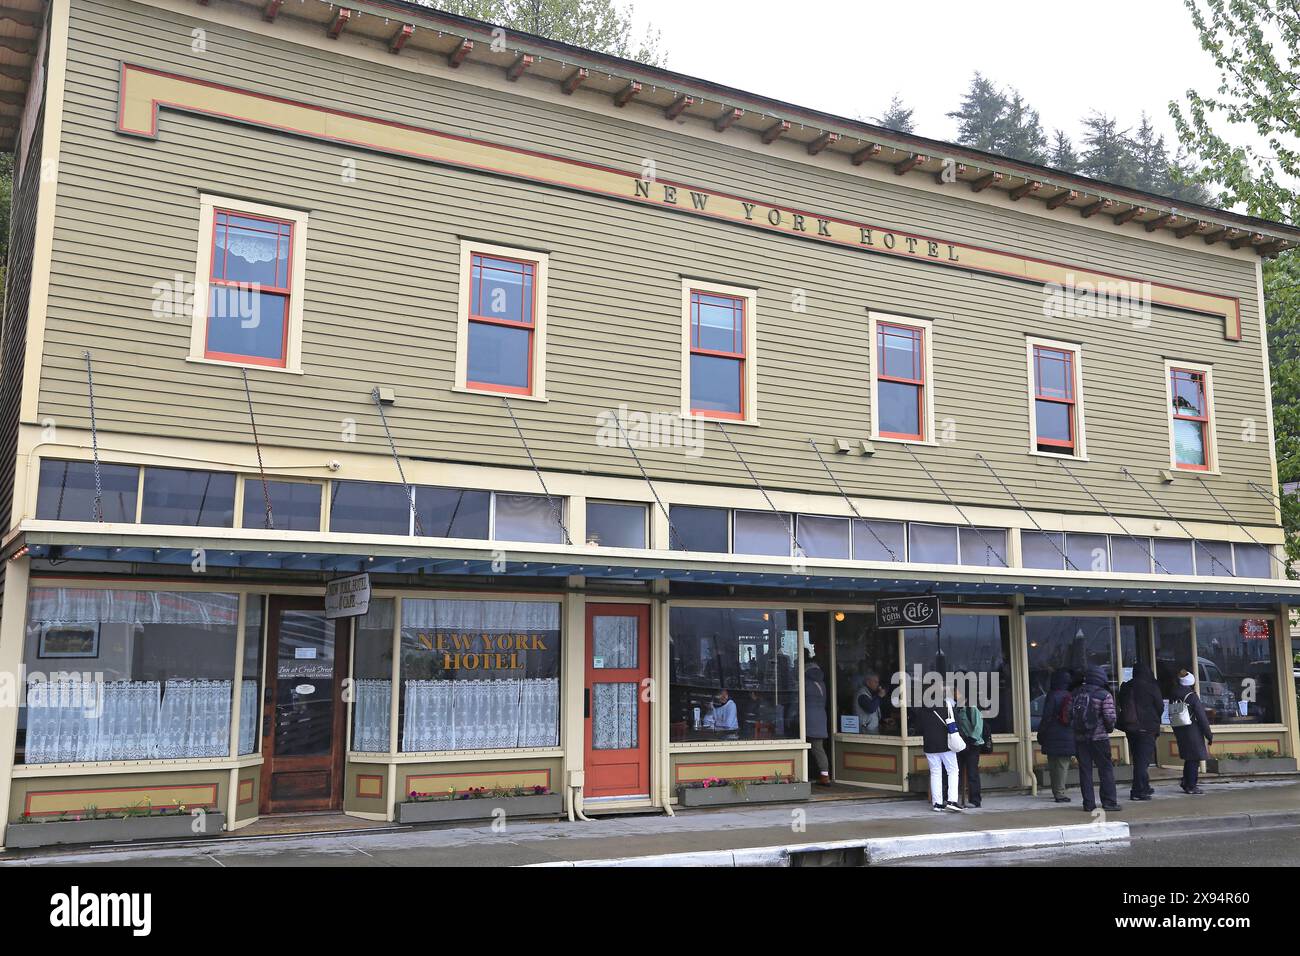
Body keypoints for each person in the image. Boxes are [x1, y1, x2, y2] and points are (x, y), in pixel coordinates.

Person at [1071, 665, 1121, 813]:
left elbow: (1070, 715)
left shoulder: (1075, 693)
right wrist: (1109, 729)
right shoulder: (1104, 694)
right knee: (1105, 770)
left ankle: (1088, 804)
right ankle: (1109, 802)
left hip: (1080, 738)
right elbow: (1109, 717)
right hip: (1099, 739)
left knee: (1085, 771)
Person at [1117, 662, 1164, 801]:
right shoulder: (1151, 687)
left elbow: (1121, 703)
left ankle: (1145, 786)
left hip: (1131, 728)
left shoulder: (1126, 687)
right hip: (1147, 728)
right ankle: (1138, 790)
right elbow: (1160, 706)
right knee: (1143, 761)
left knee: (1138, 758)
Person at [913, 697, 963, 813]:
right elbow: (957, 724)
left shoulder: (922, 709)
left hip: (929, 745)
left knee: (935, 773)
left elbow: (918, 728)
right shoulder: (947, 706)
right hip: (946, 744)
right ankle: (952, 801)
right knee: (953, 770)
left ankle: (937, 803)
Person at [1171, 669, 1213, 795]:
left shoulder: (1174, 694)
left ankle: (1186, 782)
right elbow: (1202, 717)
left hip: (1180, 729)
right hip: (1192, 730)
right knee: (1194, 759)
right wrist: (1209, 735)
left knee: (1189, 758)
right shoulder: (1192, 696)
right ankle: (1191, 785)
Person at [1038, 669, 1075, 803]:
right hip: (1066, 734)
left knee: (1053, 764)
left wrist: (1042, 732)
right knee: (1062, 765)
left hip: (1052, 734)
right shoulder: (1069, 695)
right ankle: (1060, 792)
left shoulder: (1052, 695)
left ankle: (1056, 791)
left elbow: (1046, 716)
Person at [954, 686, 984, 808]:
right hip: (961, 744)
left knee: (972, 773)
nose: (955, 694)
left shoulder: (972, 709)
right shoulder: (957, 709)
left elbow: (978, 727)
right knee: (957, 772)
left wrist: (970, 741)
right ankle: (958, 799)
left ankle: (975, 800)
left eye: (957, 692)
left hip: (972, 745)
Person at [804, 659, 831, 786]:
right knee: (818, 748)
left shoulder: (805, 683)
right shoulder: (822, 684)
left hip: (806, 718)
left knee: (806, 747)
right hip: (821, 717)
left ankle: (805, 774)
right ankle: (824, 775)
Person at [854, 670, 887, 734]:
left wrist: (882, 720)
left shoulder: (870, 693)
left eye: (878, 682)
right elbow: (871, 708)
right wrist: (879, 696)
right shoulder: (862, 694)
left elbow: (874, 712)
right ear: (868, 682)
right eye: (875, 682)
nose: (878, 685)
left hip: (871, 730)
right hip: (865, 732)